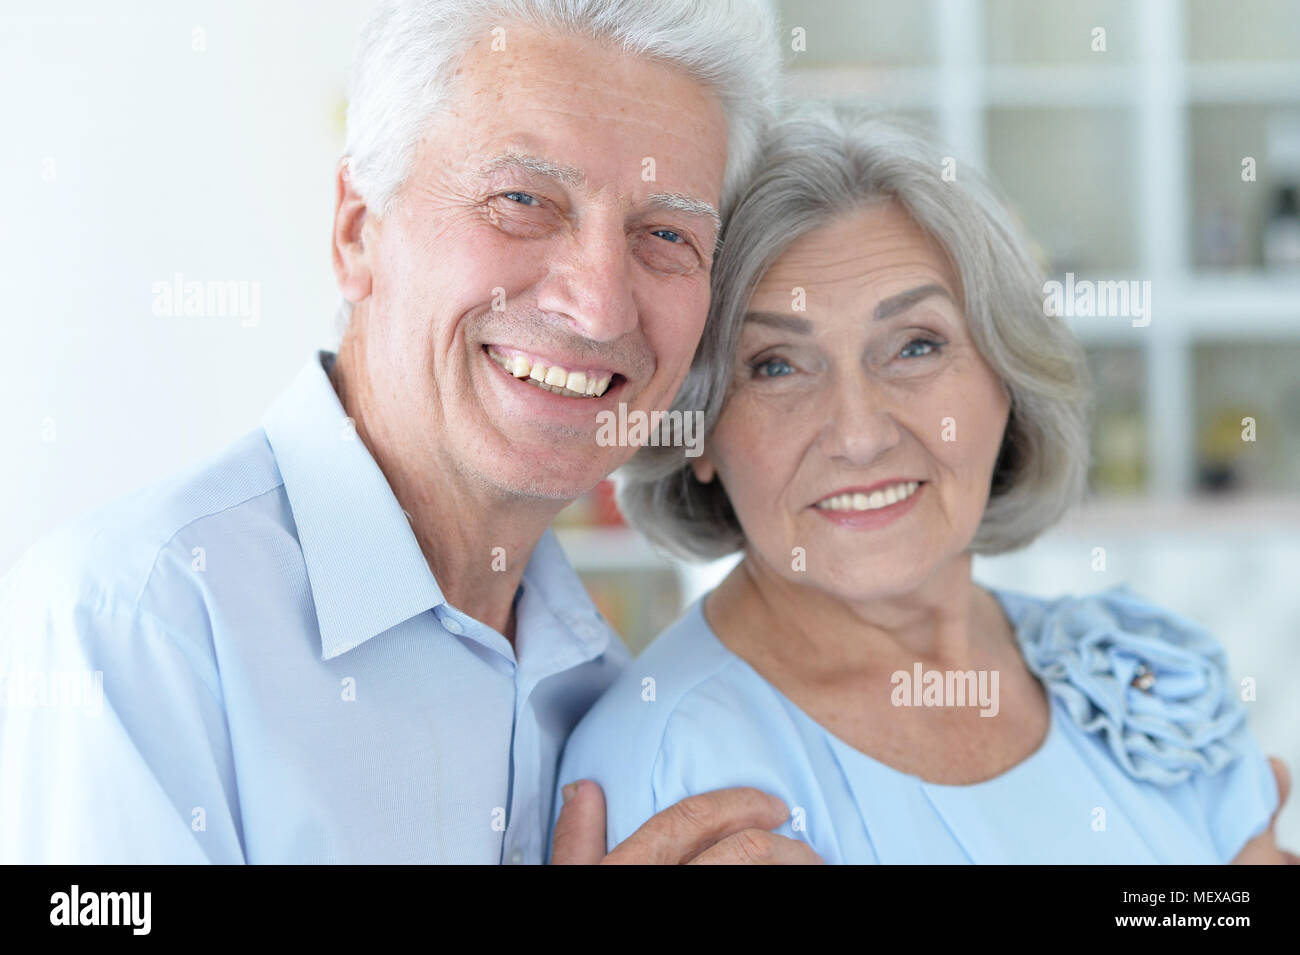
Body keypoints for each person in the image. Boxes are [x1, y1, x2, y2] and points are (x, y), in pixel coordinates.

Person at [0, 0, 820, 865]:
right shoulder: (133, 625)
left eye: (665, 234)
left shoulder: (608, 683)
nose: (600, 302)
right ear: (358, 231)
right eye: (521, 199)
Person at [553, 100, 1295, 864]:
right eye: (776, 364)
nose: (861, 434)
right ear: (700, 428)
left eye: (915, 346)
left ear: (1008, 379)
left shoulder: (1132, 671)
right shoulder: (673, 773)